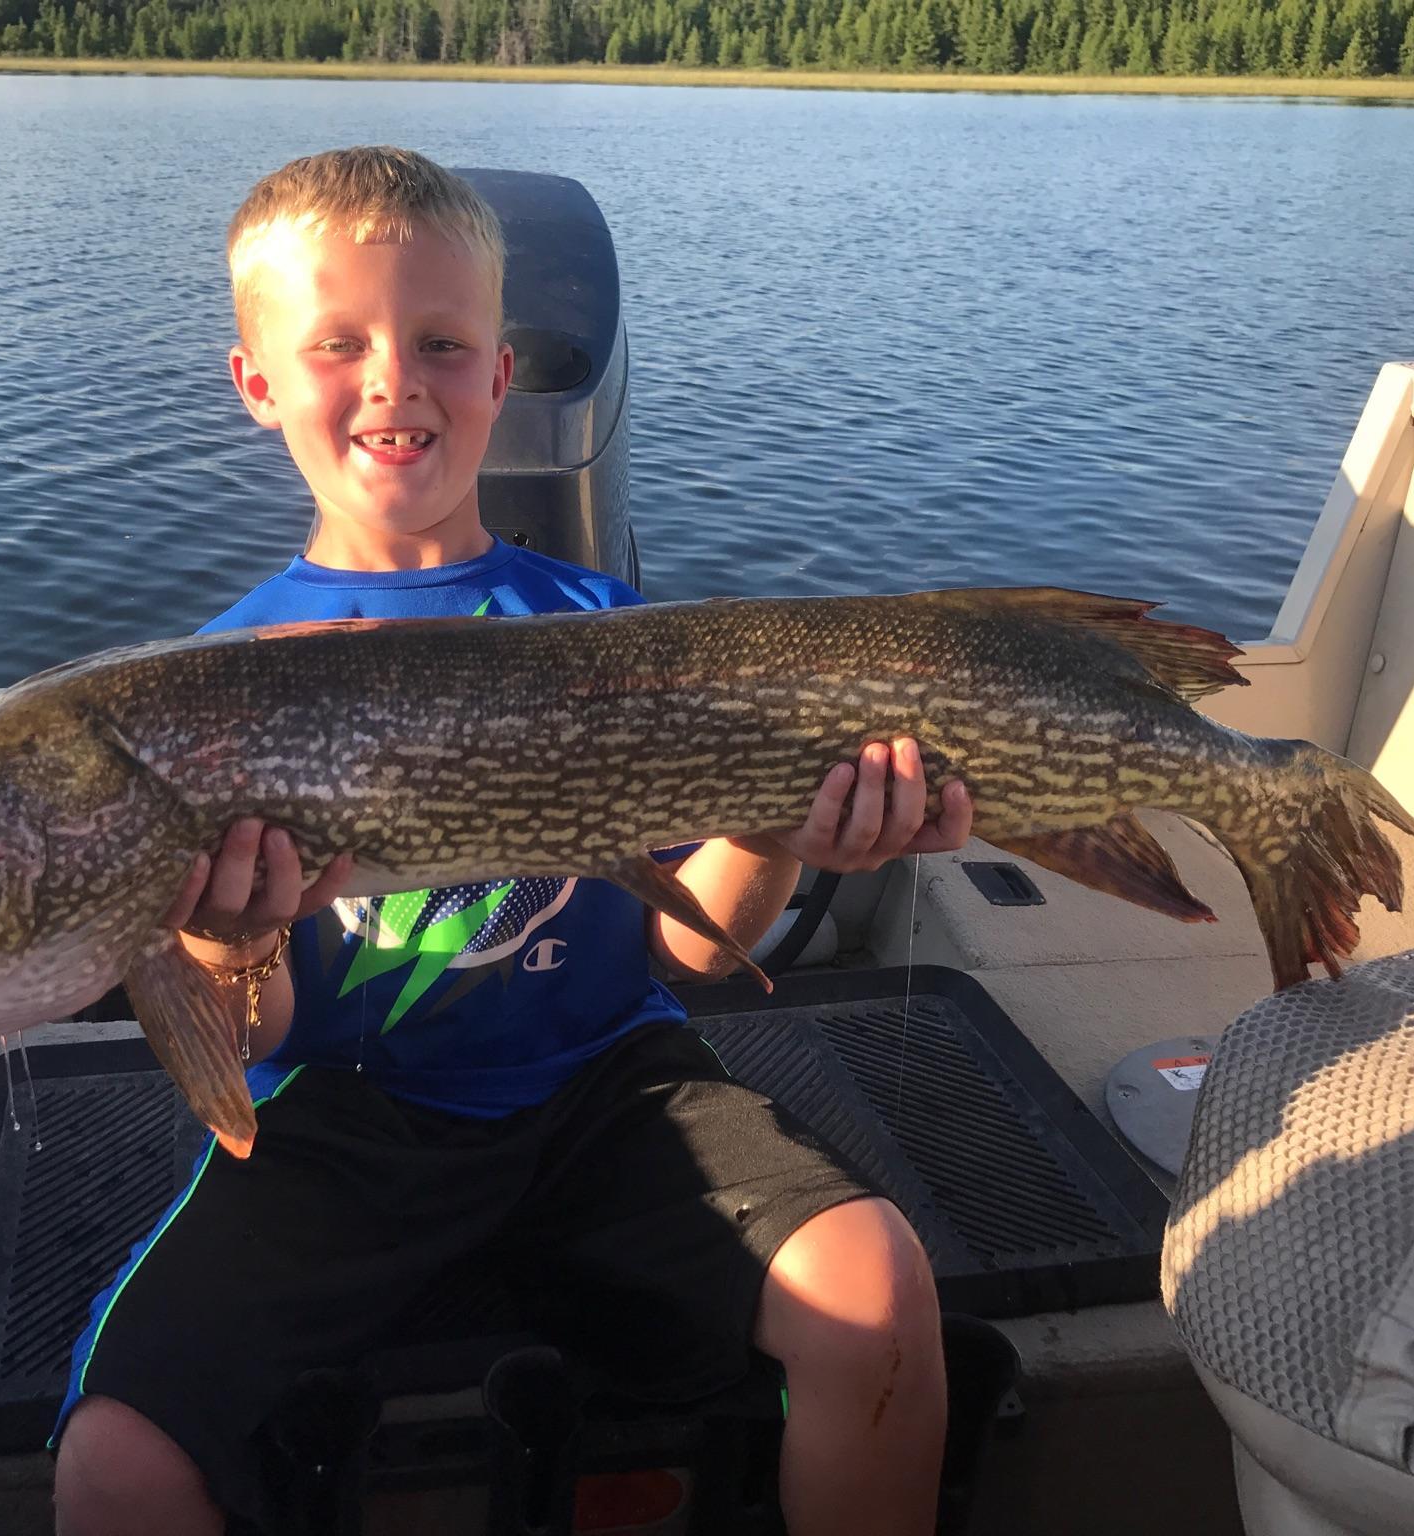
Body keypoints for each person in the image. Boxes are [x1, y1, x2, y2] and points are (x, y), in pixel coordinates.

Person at [52, 145, 975, 1536]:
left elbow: (684, 944)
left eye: (440, 344)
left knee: (879, 1294)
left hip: (611, 1081)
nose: (392, 381)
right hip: (347, 1118)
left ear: (501, 376)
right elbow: (257, 1034)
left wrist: (778, 832)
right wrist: (221, 937)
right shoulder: (215, 687)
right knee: (119, 1463)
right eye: (339, 345)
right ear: (257, 383)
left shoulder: (615, 634)